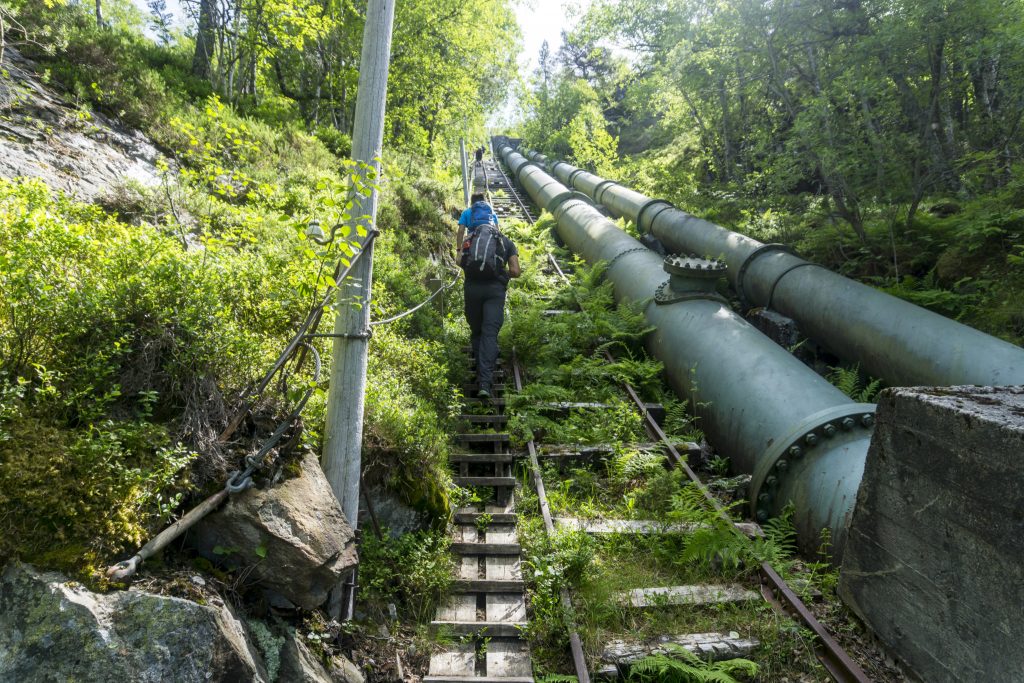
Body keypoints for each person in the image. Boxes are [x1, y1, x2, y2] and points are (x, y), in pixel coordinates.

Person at [456, 193, 520, 399]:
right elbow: (516, 271)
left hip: (473, 289)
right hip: (495, 292)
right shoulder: (505, 242)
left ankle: (477, 369)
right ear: (495, 222)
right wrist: (501, 274)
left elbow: (459, 262)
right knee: (489, 335)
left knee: (477, 331)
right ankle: (485, 382)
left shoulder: (469, 240)